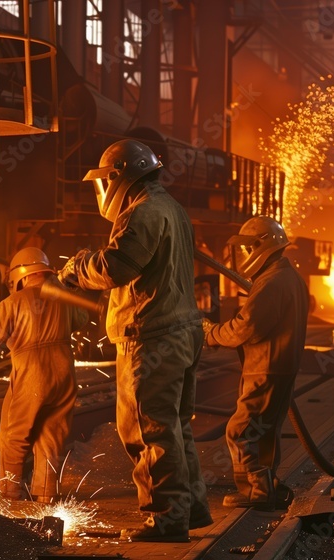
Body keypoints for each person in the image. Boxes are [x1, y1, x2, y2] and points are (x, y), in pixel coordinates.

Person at [59, 139, 211, 542]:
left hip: (152, 336)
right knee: (176, 427)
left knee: (149, 432)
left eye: (106, 180)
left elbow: (117, 266)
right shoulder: (171, 208)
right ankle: (189, 509)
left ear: (119, 176)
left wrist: (77, 267)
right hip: (182, 331)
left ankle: (166, 520)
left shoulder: (141, 212)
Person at [0, 247, 87, 503]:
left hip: (32, 373)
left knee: (13, 438)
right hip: (64, 373)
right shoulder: (64, 297)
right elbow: (80, 320)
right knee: (50, 438)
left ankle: (10, 498)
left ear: (20, 276)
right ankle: (46, 499)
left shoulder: (13, 302)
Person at [203, 216, 308, 510]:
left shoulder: (272, 282)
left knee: (241, 430)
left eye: (249, 248)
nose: (246, 255)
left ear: (262, 246)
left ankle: (255, 489)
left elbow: (246, 327)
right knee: (264, 429)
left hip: (266, 365)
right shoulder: (288, 277)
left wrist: (211, 333)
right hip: (280, 365)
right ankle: (267, 487)